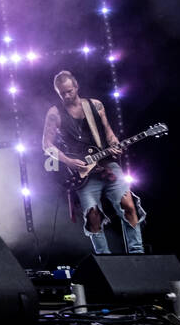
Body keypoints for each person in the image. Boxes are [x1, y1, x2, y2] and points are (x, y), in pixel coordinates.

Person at [42, 70, 144, 255]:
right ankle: (105, 260)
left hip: (107, 165)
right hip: (82, 172)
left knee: (129, 206)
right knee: (93, 217)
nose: (66, 95)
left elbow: (109, 133)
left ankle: (138, 253)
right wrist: (68, 161)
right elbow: (46, 145)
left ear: (76, 87)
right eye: (62, 93)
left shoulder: (95, 105)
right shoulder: (54, 113)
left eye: (69, 91)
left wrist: (115, 145)